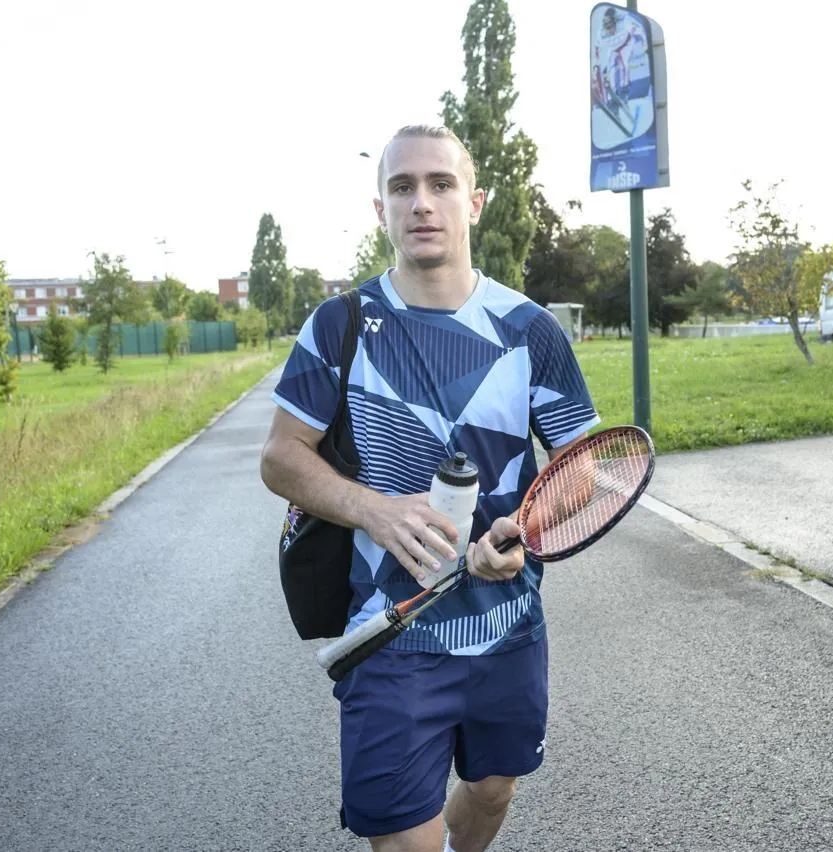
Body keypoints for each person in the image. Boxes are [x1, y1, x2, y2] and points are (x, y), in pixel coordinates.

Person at [259, 124, 600, 852]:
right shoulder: (340, 324)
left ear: (473, 202)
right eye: (402, 187)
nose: (422, 202)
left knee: (493, 790)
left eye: (441, 184)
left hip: (508, 624)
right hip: (390, 630)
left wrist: (525, 532)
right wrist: (374, 511)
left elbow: (581, 465)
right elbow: (282, 458)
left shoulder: (530, 329)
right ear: (379, 209)